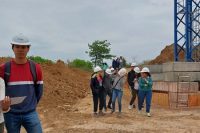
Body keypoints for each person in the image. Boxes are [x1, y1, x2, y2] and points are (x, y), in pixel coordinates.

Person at [0, 34, 44, 133]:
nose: (20, 49)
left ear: (28, 49)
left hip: (30, 113)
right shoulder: (4, 68)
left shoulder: (35, 68)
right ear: (13, 48)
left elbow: (39, 91)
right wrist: (4, 106)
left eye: (23, 47)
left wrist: (31, 105)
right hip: (10, 114)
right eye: (17, 46)